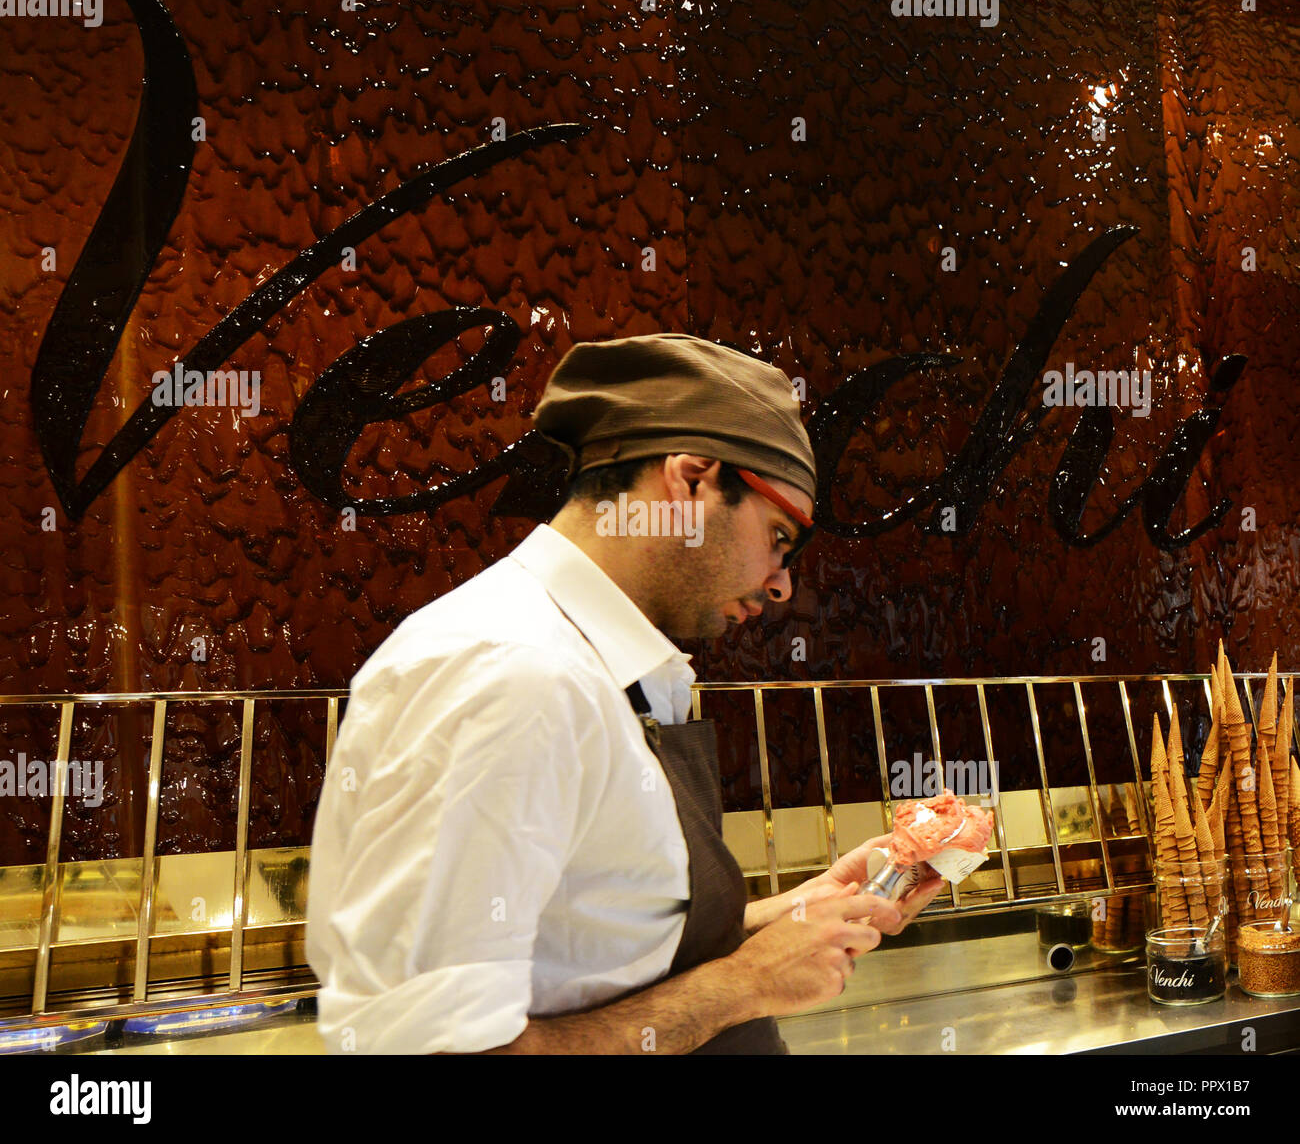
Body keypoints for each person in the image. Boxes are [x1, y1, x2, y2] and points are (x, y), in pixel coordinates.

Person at [305, 333, 944, 1054]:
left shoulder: (613, 666)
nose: (781, 581)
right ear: (694, 479)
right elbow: (434, 1049)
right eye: (778, 535)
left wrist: (801, 911)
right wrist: (743, 984)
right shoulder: (513, 674)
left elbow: (602, 948)